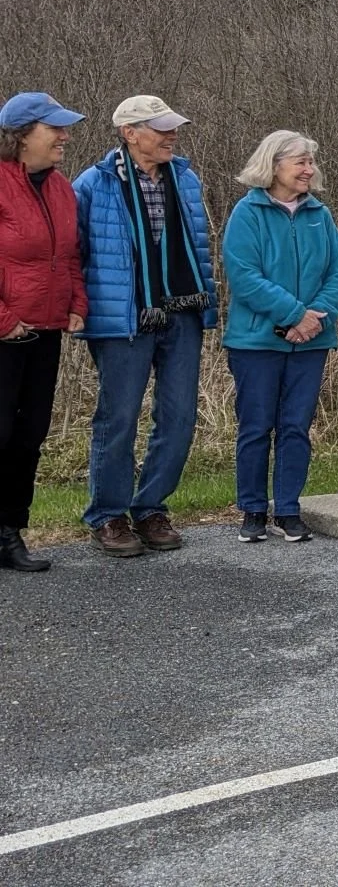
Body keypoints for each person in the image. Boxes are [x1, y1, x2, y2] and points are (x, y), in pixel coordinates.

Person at [74, 95, 218, 558]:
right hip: (124, 317)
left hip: (182, 312)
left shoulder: (186, 179)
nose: (172, 134)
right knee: (118, 418)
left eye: (173, 126)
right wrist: (80, 307)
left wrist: (207, 303)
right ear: (130, 133)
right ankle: (108, 515)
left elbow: (198, 249)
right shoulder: (94, 185)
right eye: (160, 128)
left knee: (178, 416)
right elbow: (76, 254)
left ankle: (151, 506)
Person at [221, 131, 338, 544]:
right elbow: (244, 277)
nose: (309, 170)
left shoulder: (320, 215)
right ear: (274, 165)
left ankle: (289, 508)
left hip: (311, 342)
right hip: (256, 343)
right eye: (300, 162)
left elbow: (337, 274)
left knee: (296, 427)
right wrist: (294, 314)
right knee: (256, 426)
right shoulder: (248, 213)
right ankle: (253, 508)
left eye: (311, 161)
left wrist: (312, 321)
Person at [0, 93, 88, 573]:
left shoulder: (60, 188)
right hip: (4, 331)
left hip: (45, 329)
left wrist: (77, 303)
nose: (64, 136)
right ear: (21, 136)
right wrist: (4, 319)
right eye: (54, 128)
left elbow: (69, 255)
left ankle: (10, 534)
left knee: (29, 434)